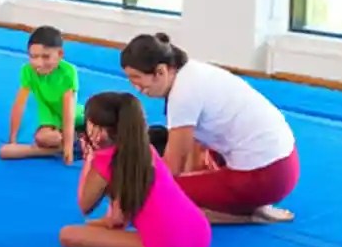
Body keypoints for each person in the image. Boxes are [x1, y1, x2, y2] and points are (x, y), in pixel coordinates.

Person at [120, 33, 300, 224]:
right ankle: (250, 205)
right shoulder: (192, 71)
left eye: (137, 78)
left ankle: (246, 214)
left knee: (158, 195)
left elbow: (172, 167)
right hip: (284, 165)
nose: (136, 87)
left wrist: (132, 185)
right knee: (187, 169)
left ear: (161, 71)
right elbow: (193, 148)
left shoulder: (182, 96)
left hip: (266, 177)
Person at [58, 92, 211, 247]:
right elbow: (118, 216)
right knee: (96, 227)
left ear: (96, 128)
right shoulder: (147, 150)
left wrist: (91, 156)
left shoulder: (104, 160)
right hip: (200, 235)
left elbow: (84, 205)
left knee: (68, 235)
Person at [0, 26, 86, 163]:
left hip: (76, 117)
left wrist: (68, 148)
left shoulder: (68, 72)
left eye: (46, 57)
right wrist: (12, 139)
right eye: (33, 56)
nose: (39, 63)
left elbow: (68, 111)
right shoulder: (27, 71)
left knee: (102, 128)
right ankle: (76, 143)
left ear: (60, 54)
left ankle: (76, 142)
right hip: (51, 119)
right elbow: (19, 105)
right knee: (43, 138)